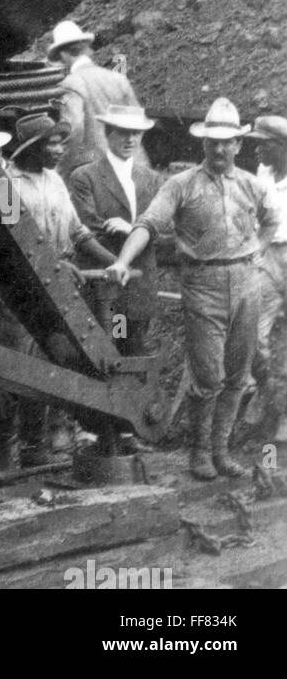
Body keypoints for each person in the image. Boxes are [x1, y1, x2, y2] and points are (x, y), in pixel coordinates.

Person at [109, 98, 277, 480]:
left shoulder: (251, 185)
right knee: (208, 376)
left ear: (238, 144)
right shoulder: (181, 185)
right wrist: (122, 260)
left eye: (227, 142)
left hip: (247, 283)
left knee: (238, 374)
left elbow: (270, 220)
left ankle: (222, 451)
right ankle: (199, 452)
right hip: (202, 285)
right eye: (213, 142)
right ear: (203, 144)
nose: (220, 149)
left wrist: (258, 252)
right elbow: (148, 224)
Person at [0, 112, 116, 472]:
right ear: (31, 148)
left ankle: (32, 448)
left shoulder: (56, 183)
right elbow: (13, 247)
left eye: (61, 142)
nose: (60, 149)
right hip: (17, 294)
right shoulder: (5, 186)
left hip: (58, 293)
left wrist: (113, 263)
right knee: (7, 372)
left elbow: (77, 232)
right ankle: (0, 457)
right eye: (52, 144)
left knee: (49, 367)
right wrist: (57, 265)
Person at [68, 104, 162, 356]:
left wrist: (131, 229)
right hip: (107, 287)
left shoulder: (150, 179)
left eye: (136, 133)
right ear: (108, 133)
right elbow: (87, 226)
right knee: (110, 350)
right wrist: (132, 234)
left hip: (139, 284)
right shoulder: (85, 177)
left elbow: (163, 227)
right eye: (122, 132)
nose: (130, 139)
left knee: (135, 349)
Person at [47, 19, 139, 176]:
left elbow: (74, 130)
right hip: (131, 168)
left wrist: (59, 170)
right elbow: (138, 120)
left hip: (98, 174)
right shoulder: (118, 78)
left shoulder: (70, 84)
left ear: (63, 54)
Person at [248, 114, 287, 443]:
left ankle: (283, 417)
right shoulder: (263, 173)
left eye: (263, 144)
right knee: (254, 334)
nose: (257, 150)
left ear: (281, 146)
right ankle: (268, 398)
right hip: (269, 256)